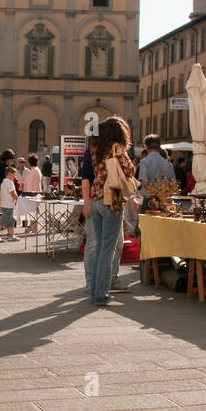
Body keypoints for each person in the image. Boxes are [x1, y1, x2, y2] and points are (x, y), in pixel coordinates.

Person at [81, 116, 136, 306]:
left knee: (99, 250)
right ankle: (102, 295)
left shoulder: (94, 149)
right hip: (111, 201)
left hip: (95, 201)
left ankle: (95, 290)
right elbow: (130, 170)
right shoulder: (117, 148)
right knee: (107, 249)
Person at [0, 166, 19, 241]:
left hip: (7, 205)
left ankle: (10, 235)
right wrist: (18, 199)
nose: (15, 176)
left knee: (11, 220)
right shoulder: (9, 182)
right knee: (4, 221)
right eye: (14, 174)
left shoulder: (5, 181)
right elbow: (12, 193)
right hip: (8, 206)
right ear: (9, 174)